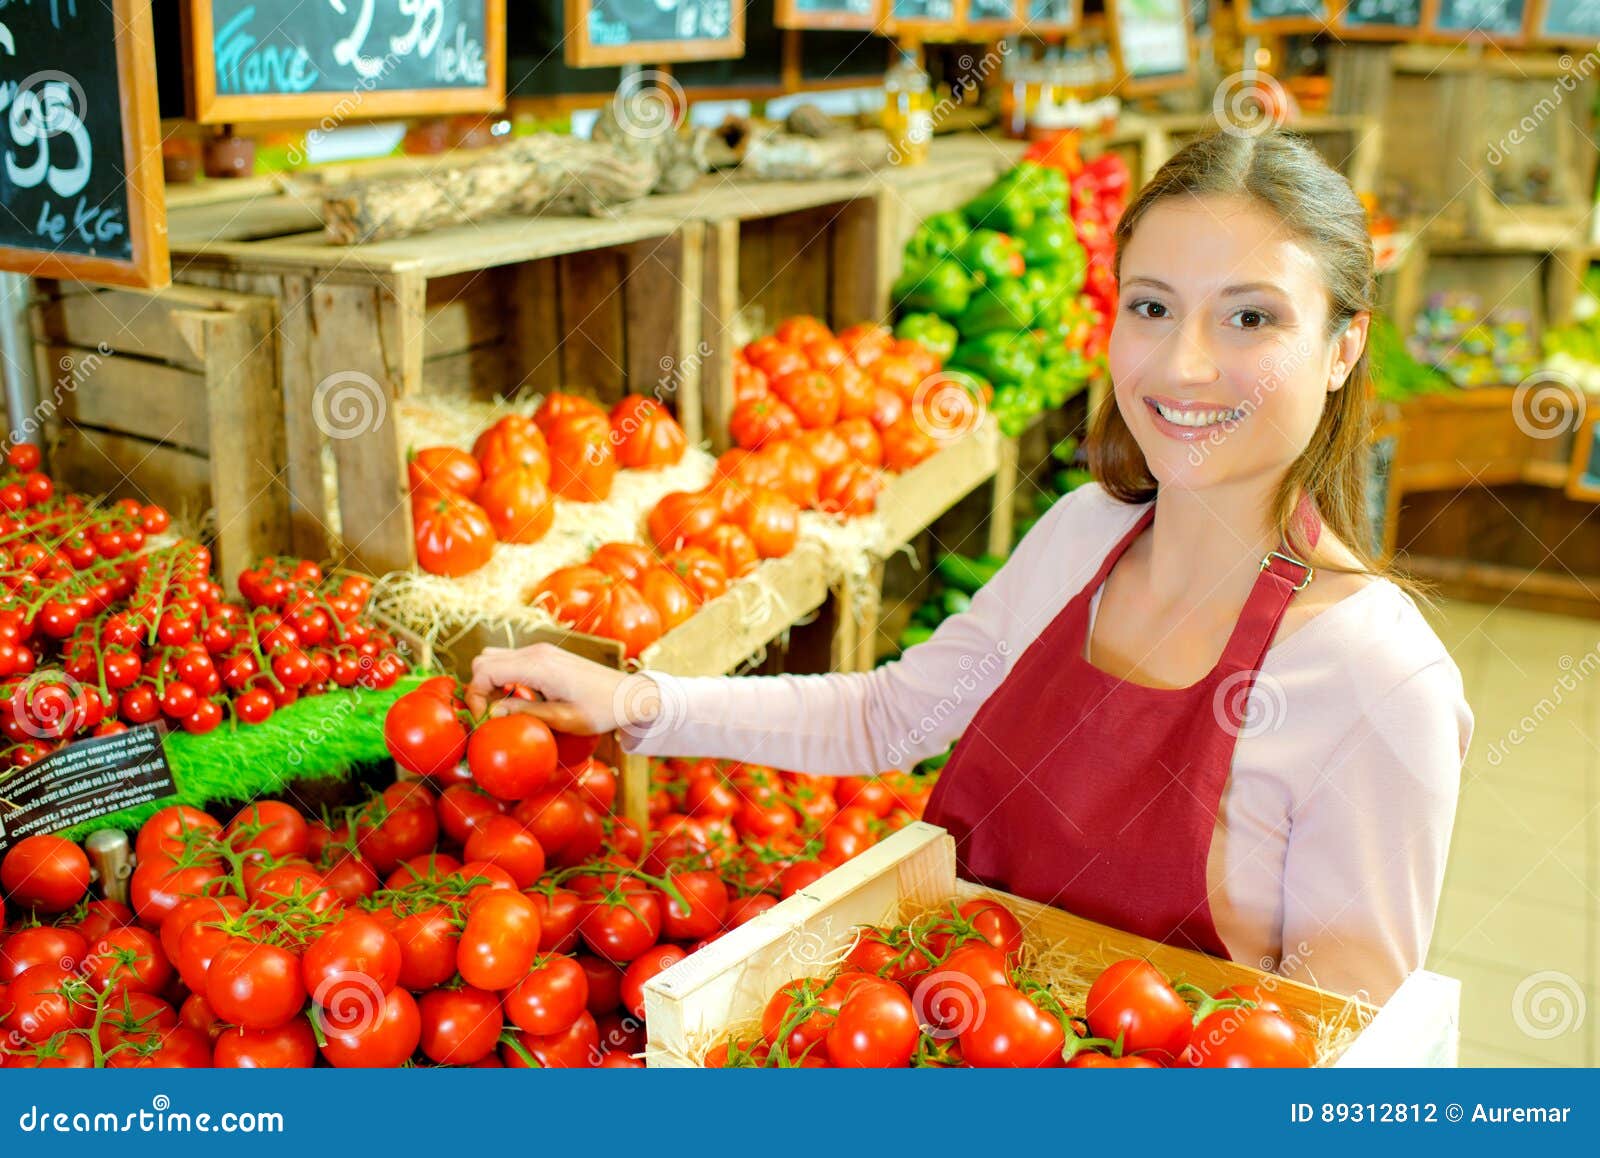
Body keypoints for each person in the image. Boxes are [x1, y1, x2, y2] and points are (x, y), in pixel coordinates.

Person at [466, 131, 1472, 1006]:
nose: (1182, 365)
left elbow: (1332, 1048)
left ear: (1345, 345)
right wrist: (633, 702)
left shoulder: (1377, 681)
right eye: (1152, 307)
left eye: (1251, 317)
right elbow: (890, 716)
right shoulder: (1081, 535)